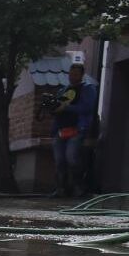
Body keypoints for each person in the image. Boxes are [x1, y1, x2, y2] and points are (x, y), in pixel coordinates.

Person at [51, 63, 99, 198]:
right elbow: (56, 108)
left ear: (82, 75)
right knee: (59, 160)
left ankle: (78, 186)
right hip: (60, 129)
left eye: (75, 75)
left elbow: (87, 108)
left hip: (77, 129)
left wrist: (65, 108)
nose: (72, 77)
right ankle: (60, 188)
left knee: (71, 157)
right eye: (71, 74)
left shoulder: (88, 89)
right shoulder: (63, 90)